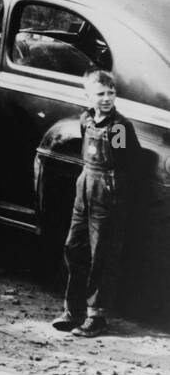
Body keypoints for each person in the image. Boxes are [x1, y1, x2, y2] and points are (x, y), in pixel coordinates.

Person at [52, 69, 134, 338]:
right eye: (100, 94)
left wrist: (112, 193)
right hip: (85, 185)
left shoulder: (119, 127)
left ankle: (96, 316)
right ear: (88, 95)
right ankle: (72, 310)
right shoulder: (86, 119)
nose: (107, 98)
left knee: (102, 254)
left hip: (108, 189)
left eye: (111, 93)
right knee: (74, 247)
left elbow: (123, 162)